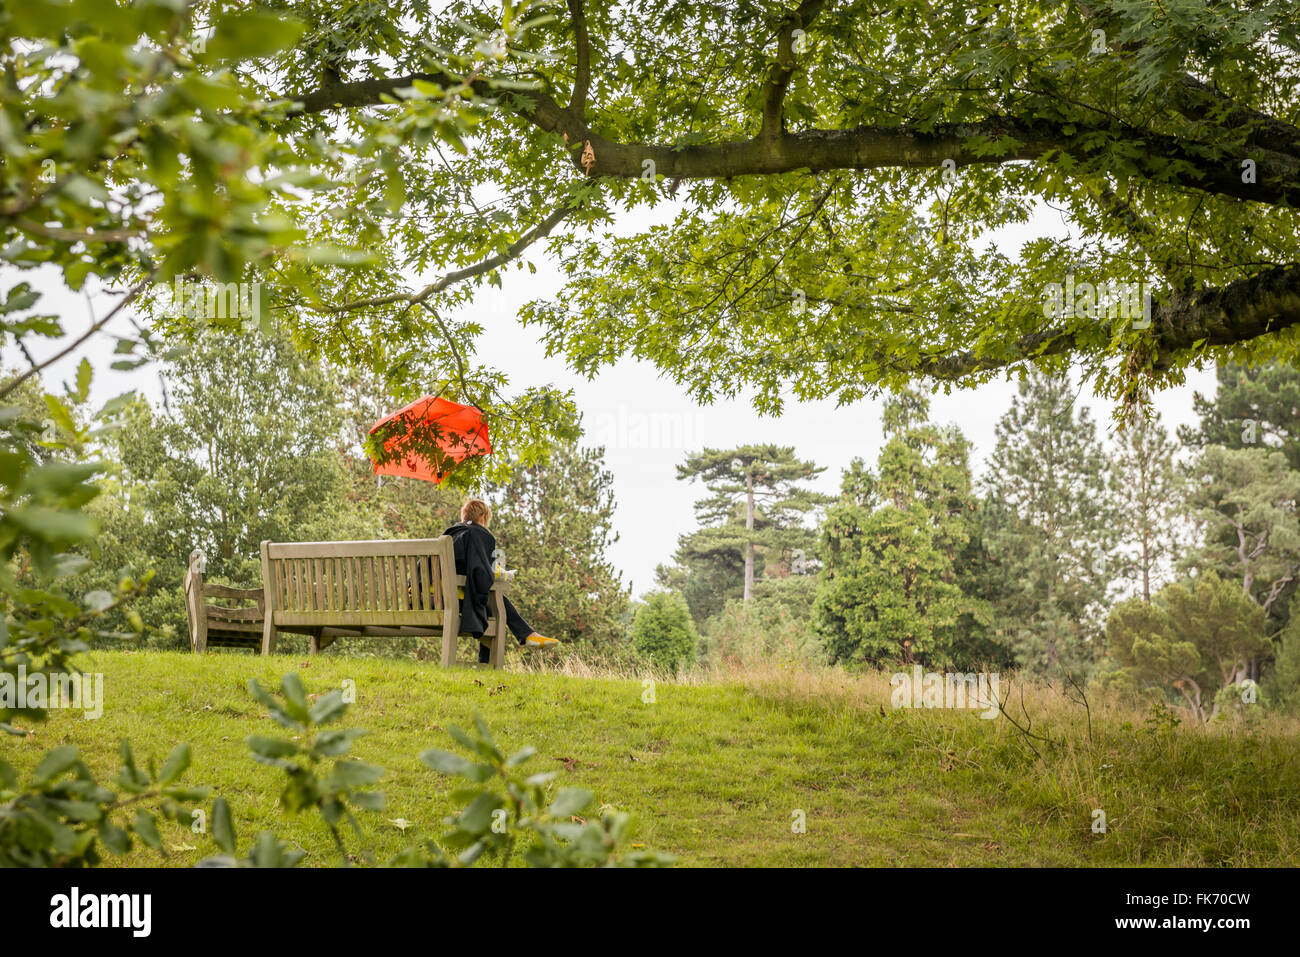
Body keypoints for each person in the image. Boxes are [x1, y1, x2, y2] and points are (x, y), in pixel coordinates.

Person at [443, 499, 559, 664]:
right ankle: (524, 637)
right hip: (452, 601)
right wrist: (501, 576)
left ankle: (522, 638)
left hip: (429, 599)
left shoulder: (451, 533)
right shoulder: (478, 534)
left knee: (492, 603)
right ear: (482, 517)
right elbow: (482, 572)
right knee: (495, 602)